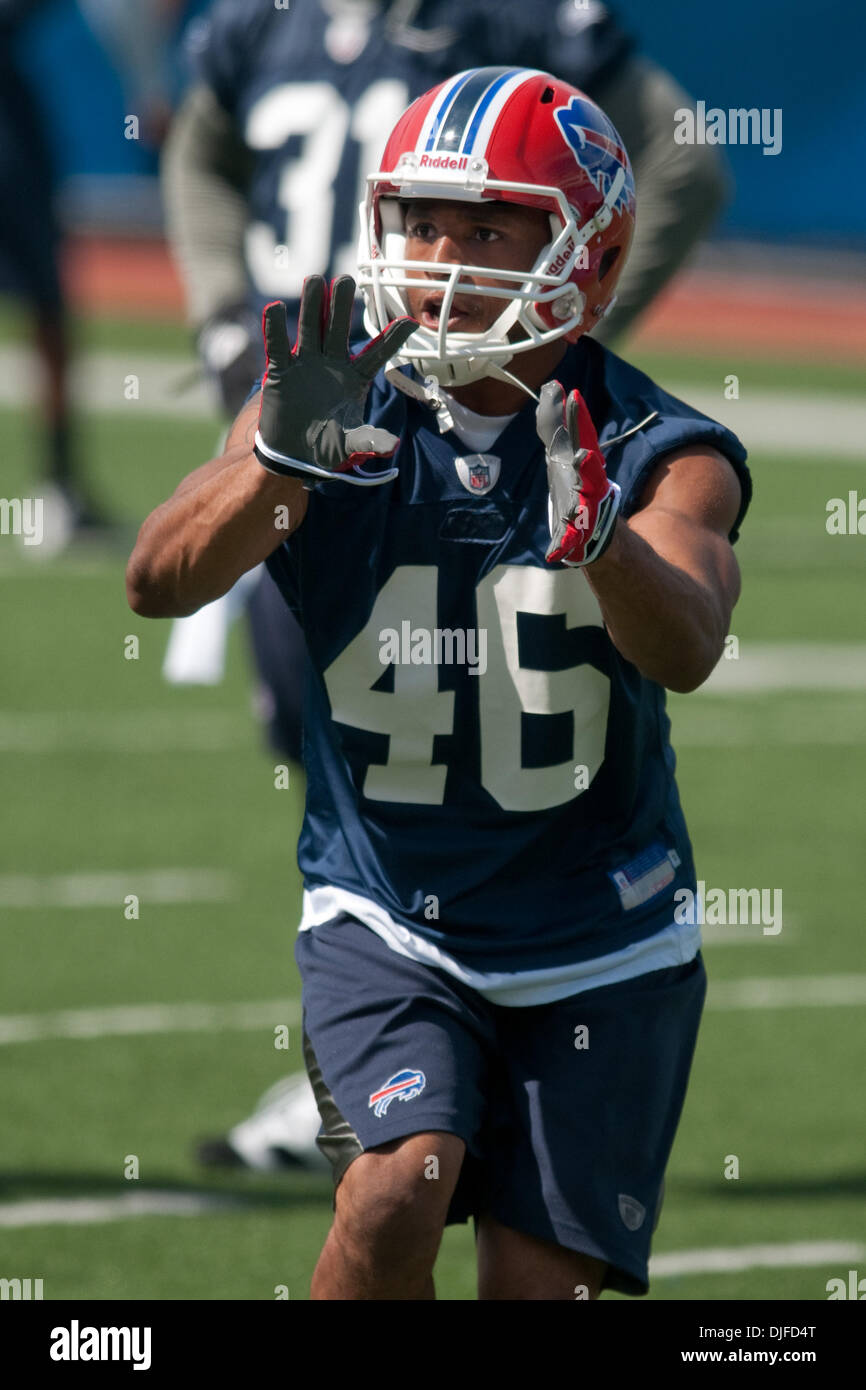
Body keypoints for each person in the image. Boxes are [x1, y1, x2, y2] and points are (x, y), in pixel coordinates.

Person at [127, 67, 750, 1298]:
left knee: (533, 1288)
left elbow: (687, 644)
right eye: (420, 224)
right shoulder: (327, 405)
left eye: (486, 229)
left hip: (602, 937)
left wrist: (602, 544)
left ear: (586, 256)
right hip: (388, 913)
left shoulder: (658, 448)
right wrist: (275, 463)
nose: (441, 261)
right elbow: (159, 579)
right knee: (393, 1186)